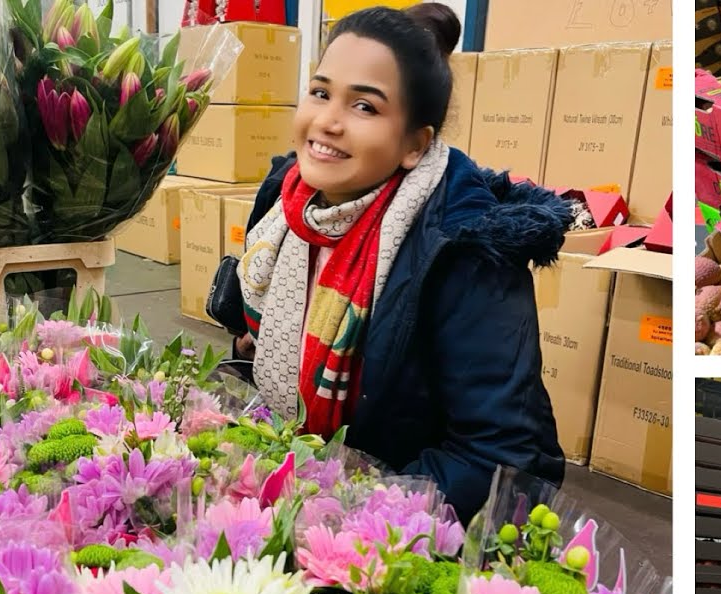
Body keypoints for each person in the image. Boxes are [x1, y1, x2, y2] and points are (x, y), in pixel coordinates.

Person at [226, 4, 568, 523]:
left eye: (364, 107)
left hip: (401, 533)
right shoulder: (286, 204)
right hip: (296, 495)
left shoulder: (465, 249)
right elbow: (262, 346)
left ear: (414, 144)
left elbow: (502, 461)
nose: (327, 122)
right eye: (320, 92)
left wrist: (348, 511)